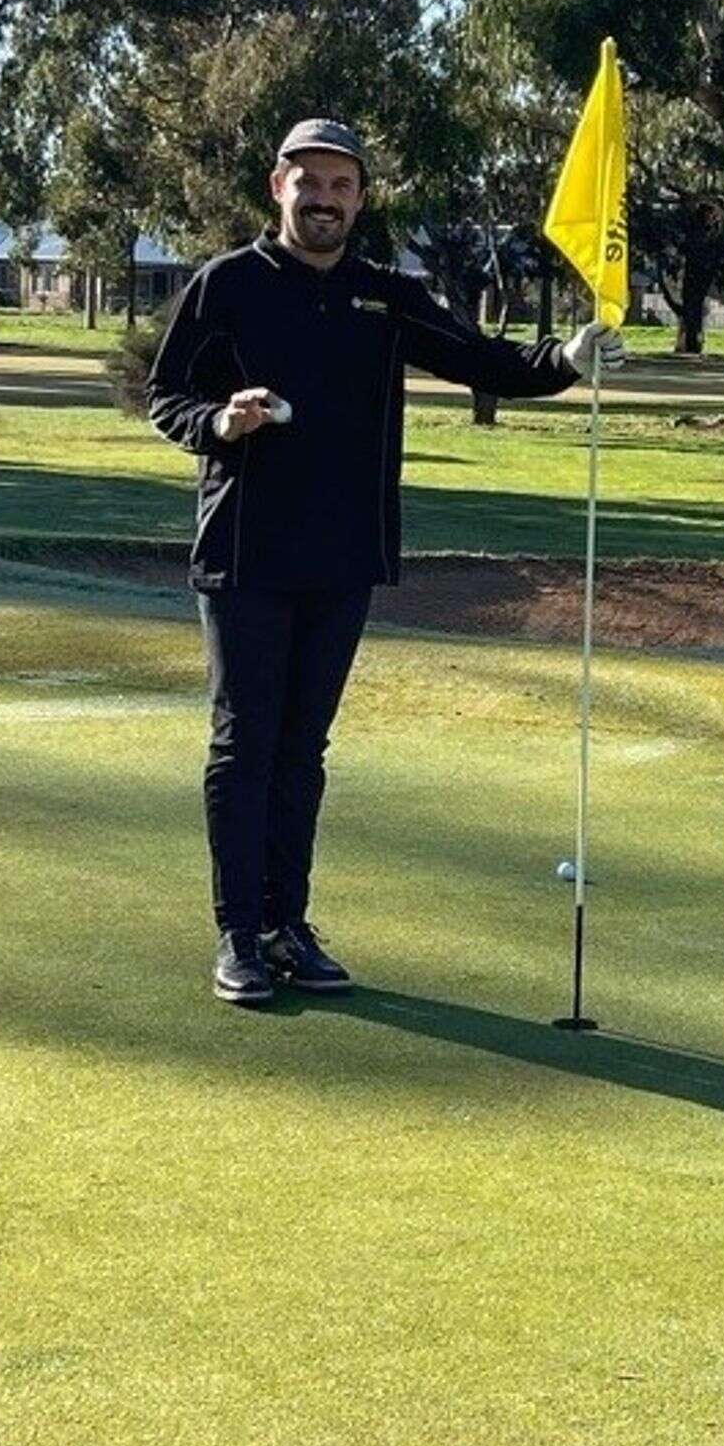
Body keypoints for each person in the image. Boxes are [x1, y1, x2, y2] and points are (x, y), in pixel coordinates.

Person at [146, 117, 626, 1006]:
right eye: (310, 182)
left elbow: (478, 358)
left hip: (345, 553)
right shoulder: (227, 285)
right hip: (247, 550)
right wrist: (219, 420)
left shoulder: (385, 294)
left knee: (302, 749)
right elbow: (166, 395)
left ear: (360, 197)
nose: (325, 199)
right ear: (277, 185)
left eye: (342, 186)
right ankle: (239, 935)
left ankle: (288, 924)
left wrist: (564, 358)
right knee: (244, 742)